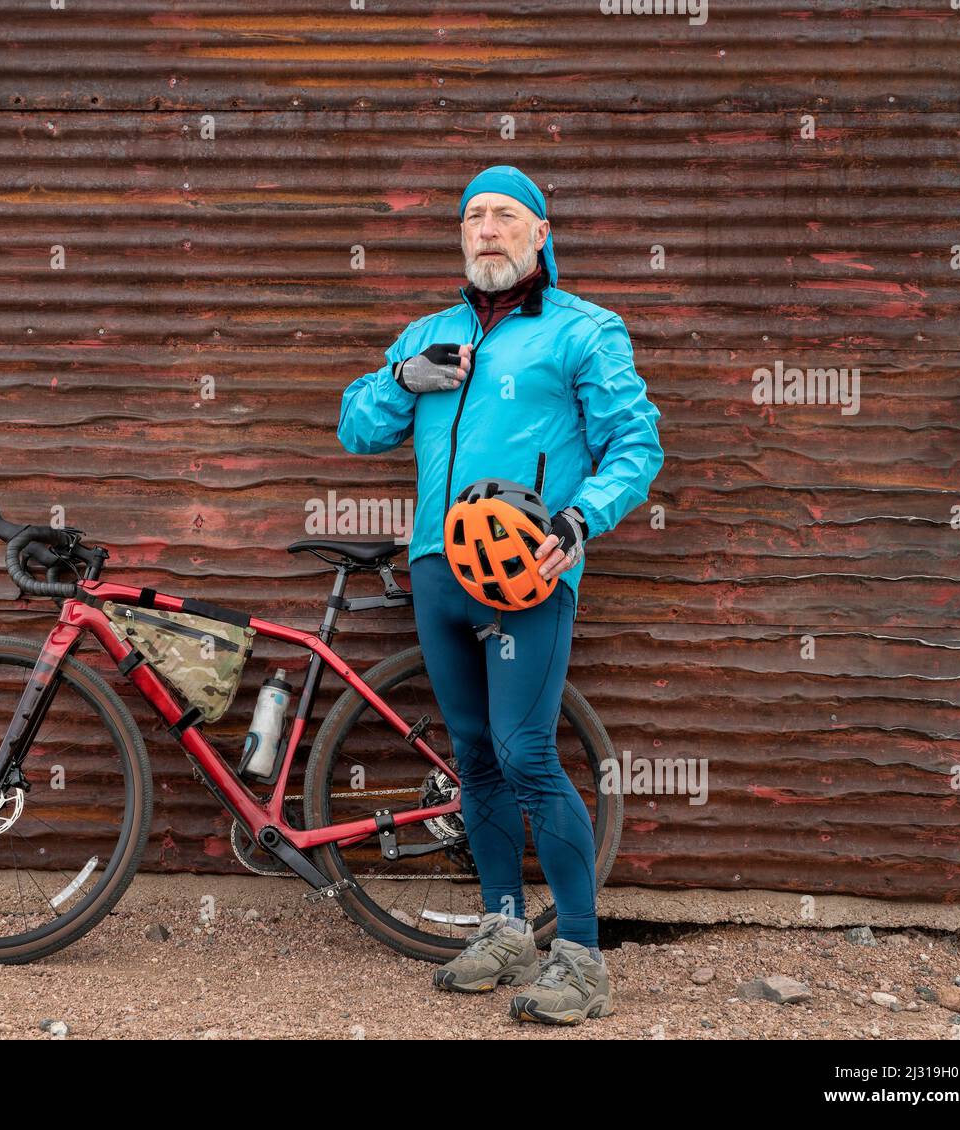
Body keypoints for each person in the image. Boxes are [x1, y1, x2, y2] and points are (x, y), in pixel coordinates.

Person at [336, 165, 664, 1024]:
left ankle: (582, 959)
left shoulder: (584, 332)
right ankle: (503, 928)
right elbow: (356, 426)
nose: (486, 228)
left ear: (540, 234)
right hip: (437, 569)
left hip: (529, 570)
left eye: (505, 215)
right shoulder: (431, 334)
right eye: (473, 216)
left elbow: (636, 445)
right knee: (472, 756)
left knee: (526, 753)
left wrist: (580, 520)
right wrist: (404, 380)